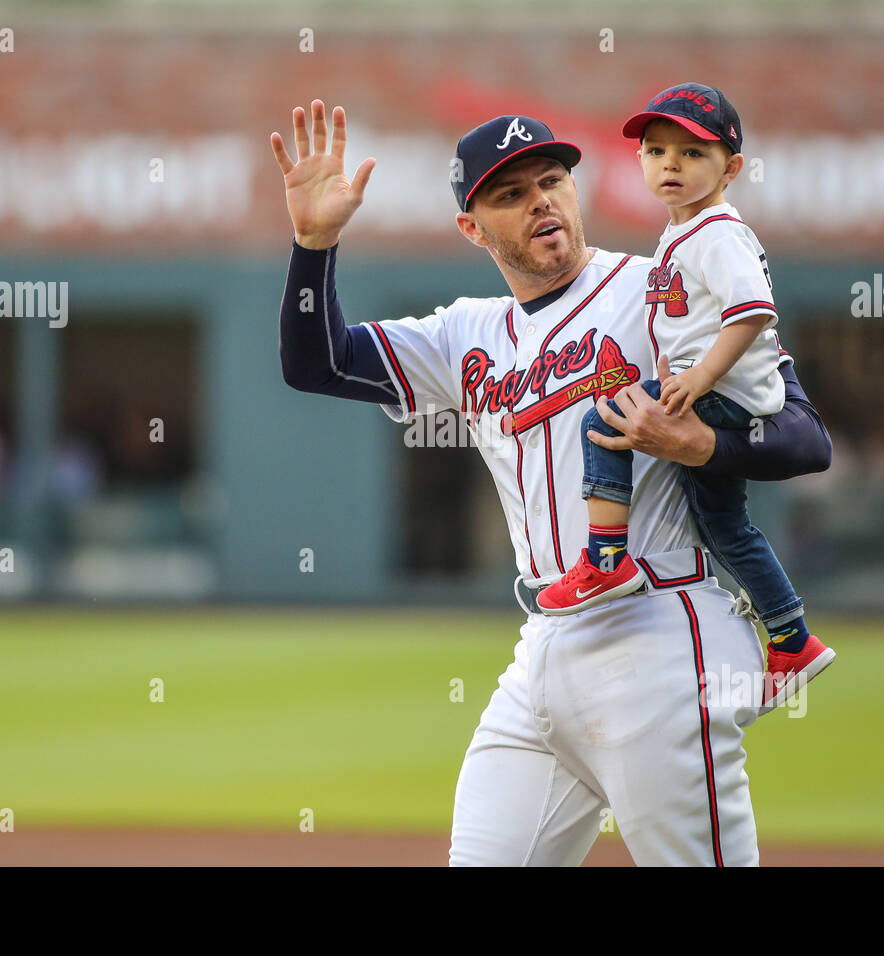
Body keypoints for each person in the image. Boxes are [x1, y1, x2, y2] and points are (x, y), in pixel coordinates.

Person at [272, 101, 831, 866]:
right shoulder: (465, 332)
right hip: (542, 646)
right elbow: (317, 363)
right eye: (510, 194)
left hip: (659, 628)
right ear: (472, 228)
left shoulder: (658, 288)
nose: (540, 199)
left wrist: (701, 442)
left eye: (551, 179)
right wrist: (314, 245)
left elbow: (804, 436)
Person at [533, 84, 835, 712]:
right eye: (655, 150)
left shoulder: (718, 231)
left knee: (606, 415)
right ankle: (791, 638)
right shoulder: (682, 232)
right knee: (724, 524)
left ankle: (607, 557)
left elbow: (752, 314)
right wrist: (678, 363)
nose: (669, 164)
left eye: (692, 153)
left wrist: (698, 379)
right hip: (716, 386)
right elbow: (684, 321)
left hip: (726, 394)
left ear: (731, 168)